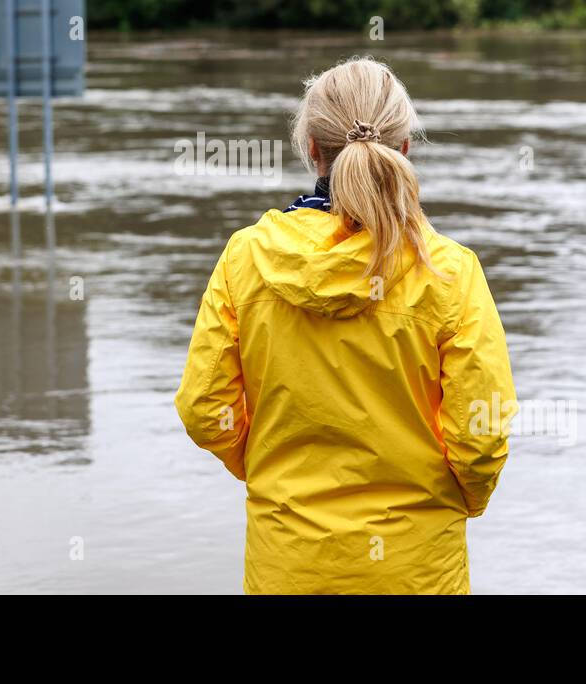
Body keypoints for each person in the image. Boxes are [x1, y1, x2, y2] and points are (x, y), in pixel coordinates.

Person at [175, 56, 516, 594]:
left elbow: (203, 408)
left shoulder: (246, 259)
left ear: (312, 149)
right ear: (404, 149)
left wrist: (265, 468)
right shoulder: (449, 272)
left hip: (288, 561)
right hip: (416, 569)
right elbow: (481, 430)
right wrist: (462, 499)